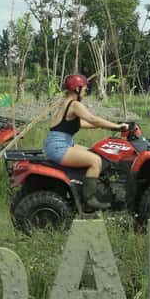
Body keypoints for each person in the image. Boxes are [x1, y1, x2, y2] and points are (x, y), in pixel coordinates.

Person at [44, 74, 128, 211]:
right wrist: (116, 127)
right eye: (84, 88)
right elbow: (92, 119)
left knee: (93, 151)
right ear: (77, 88)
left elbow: (79, 123)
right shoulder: (75, 105)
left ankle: (84, 185)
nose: (86, 90)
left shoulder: (65, 102)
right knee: (95, 161)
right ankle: (89, 200)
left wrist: (105, 125)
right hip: (59, 147)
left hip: (59, 144)